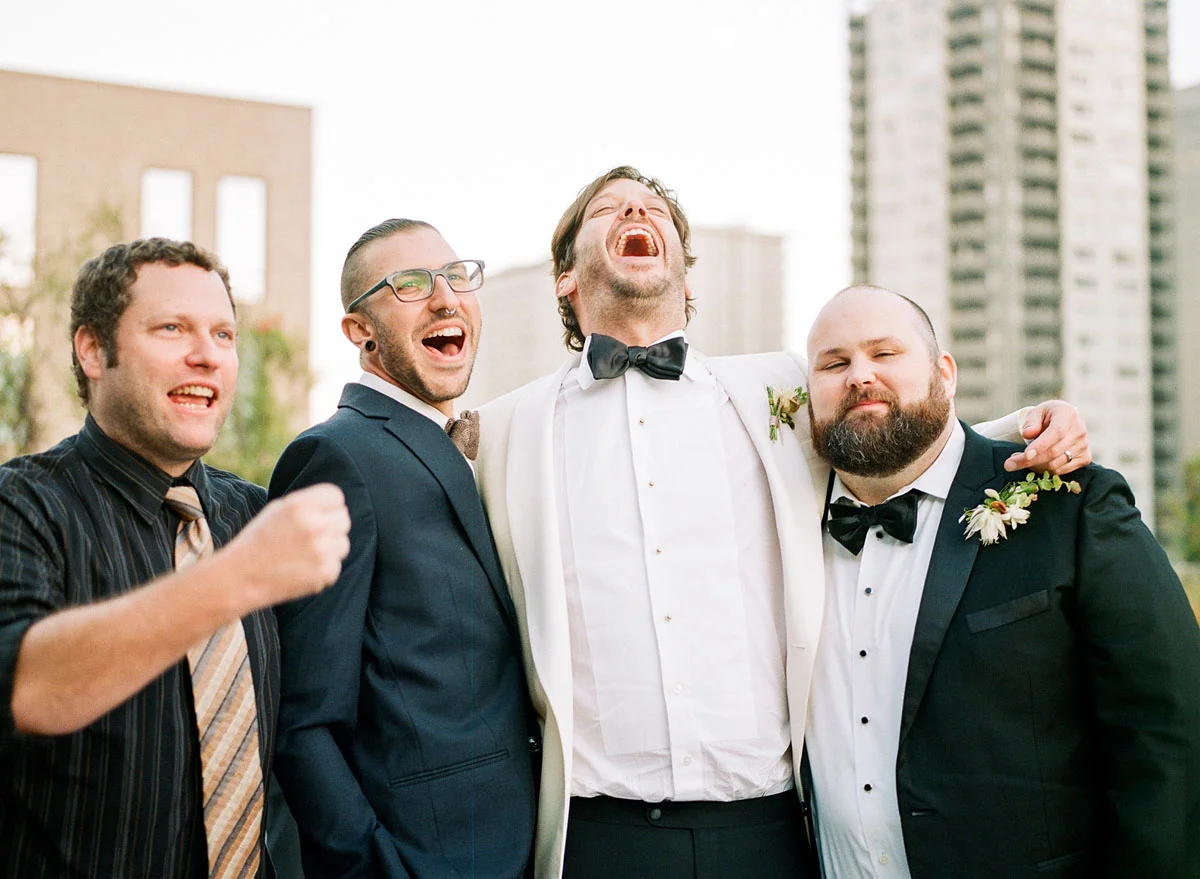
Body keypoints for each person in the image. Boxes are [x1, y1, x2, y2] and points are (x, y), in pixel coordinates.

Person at [473, 166, 1091, 879]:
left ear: (687, 275)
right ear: (565, 278)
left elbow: (894, 435)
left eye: (654, 209)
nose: (635, 210)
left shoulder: (779, 390)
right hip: (595, 837)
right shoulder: (504, 432)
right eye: (607, 209)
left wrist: (1031, 428)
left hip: (769, 832)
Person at [803, 283, 1200, 878]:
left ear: (945, 373)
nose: (860, 375)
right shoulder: (784, 525)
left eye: (885, 354)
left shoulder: (1071, 508)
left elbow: (1169, 734)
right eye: (835, 363)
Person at [0, 238, 351, 878]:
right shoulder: (21, 505)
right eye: (172, 329)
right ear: (92, 350)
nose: (207, 355)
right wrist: (231, 579)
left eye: (223, 334)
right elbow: (27, 687)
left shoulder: (251, 515)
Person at [269, 219, 538, 878]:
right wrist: (378, 868)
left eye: (455, 275)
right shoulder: (336, 455)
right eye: (411, 285)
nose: (445, 297)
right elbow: (302, 720)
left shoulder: (490, 448)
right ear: (359, 331)